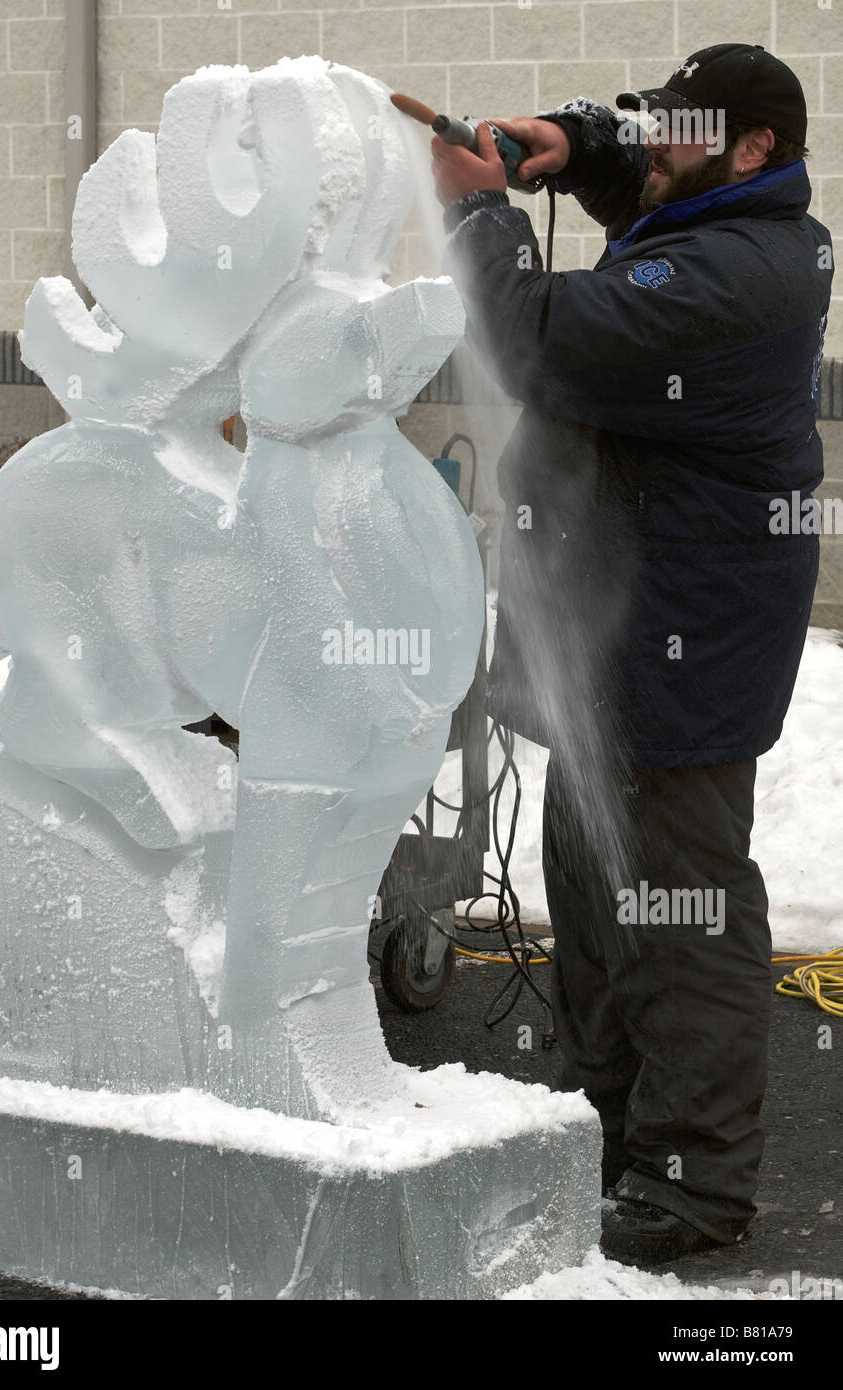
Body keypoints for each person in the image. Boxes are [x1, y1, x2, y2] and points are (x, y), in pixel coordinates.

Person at [430, 42, 834, 1263]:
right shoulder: (722, 218)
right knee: (599, 915)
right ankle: (610, 1138)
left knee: (678, 926)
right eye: (652, 120)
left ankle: (689, 1186)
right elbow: (657, 199)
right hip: (615, 648)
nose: (653, 139)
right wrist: (578, 144)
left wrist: (482, 215)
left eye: (678, 125)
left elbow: (538, 337)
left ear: (752, 146)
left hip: (678, 658)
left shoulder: (741, 279)